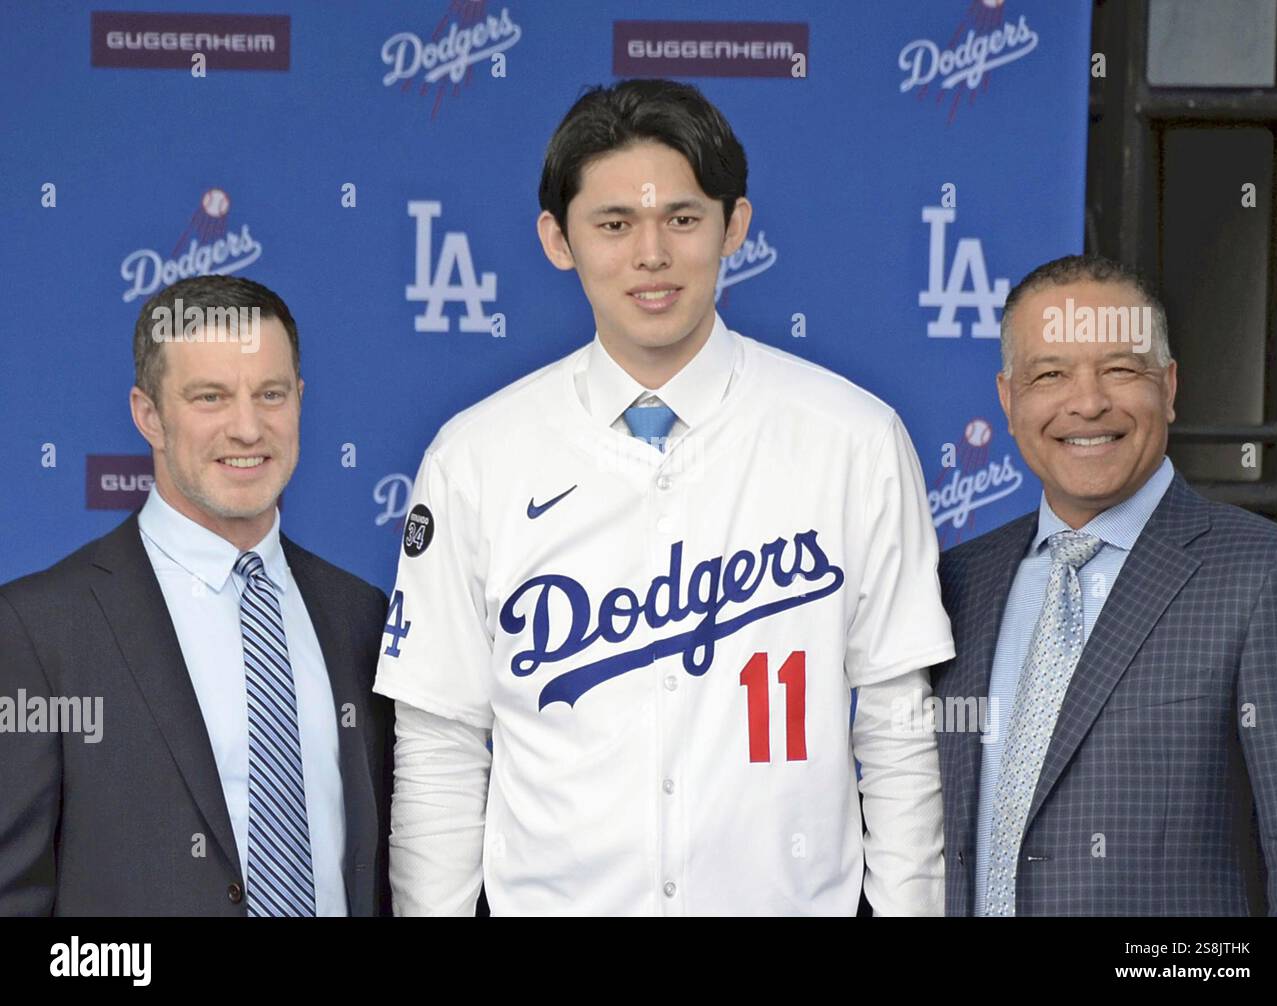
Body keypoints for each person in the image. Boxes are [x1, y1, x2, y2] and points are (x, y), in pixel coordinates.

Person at [374, 79, 954, 916]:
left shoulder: (853, 437)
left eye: (682, 219)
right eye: (614, 224)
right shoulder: (475, 457)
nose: (652, 254)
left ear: (736, 227)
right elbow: (441, 740)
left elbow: (899, 725)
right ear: (557, 239)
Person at [0, 275, 393, 916]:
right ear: (148, 414)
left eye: (270, 394)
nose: (247, 428)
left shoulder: (359, 615)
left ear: (300, 399)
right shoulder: (38, 629)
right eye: (210, 397)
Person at [931, 253, 1277, 916]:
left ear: (1170, 386)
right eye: (1050, 374)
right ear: (1010, 401)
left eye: (1121, 369)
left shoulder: (1267, 573)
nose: (1088, 401)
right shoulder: (958, 581)